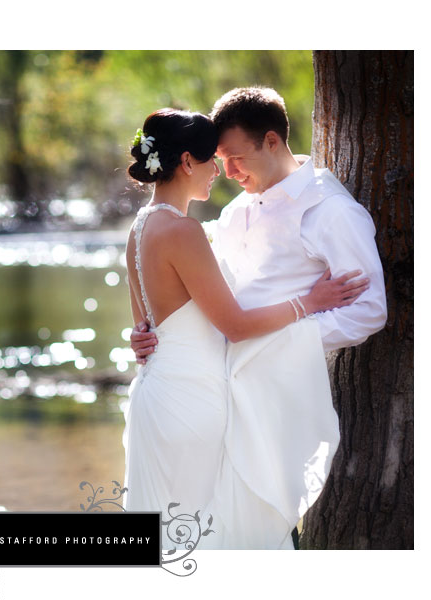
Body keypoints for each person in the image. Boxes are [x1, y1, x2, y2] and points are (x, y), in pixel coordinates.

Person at [121, 107, 370, 550]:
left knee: (170, 526)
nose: (218, 171)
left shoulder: (139, 228)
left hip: (155, 394)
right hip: (194, 399)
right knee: (209, 522)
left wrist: (139, 337)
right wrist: (309, 302)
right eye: (211, 160)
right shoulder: (183, 231)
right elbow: (234, 326)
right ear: (185, 163)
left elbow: (143, 323)